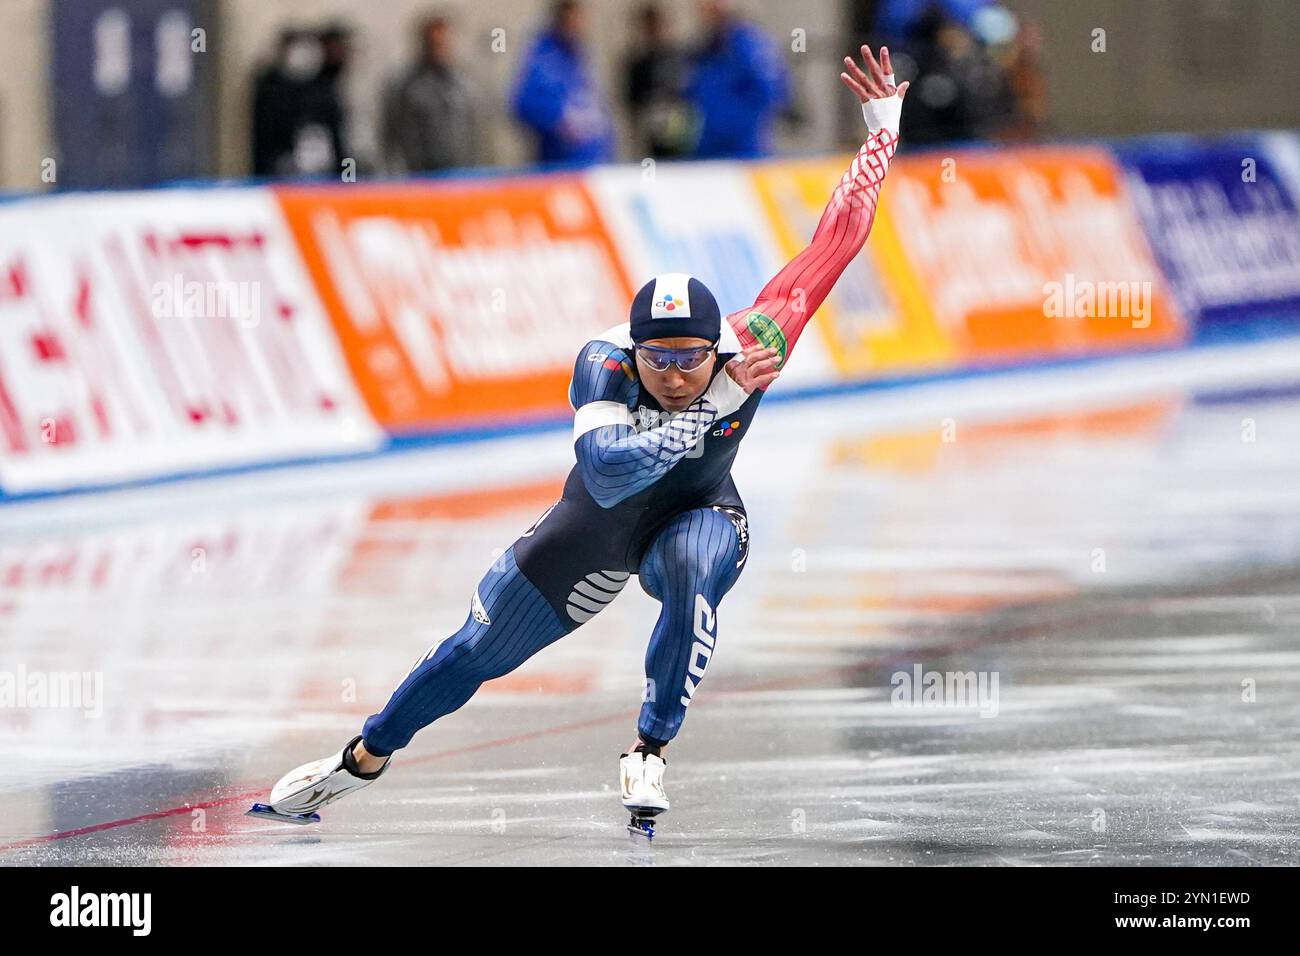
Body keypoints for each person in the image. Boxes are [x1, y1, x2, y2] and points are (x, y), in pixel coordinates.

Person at [249, 46, 908, 834]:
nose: (672, 374)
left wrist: (883, 131)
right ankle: (359, 760)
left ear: (718, 347)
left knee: (692, 569)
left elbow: (836, 238)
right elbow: (605, 471)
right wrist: (718, 402)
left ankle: (650, 749)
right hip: (596, 526)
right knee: (470, 654)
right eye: (657, 361)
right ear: (632, 354)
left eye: (691, 361)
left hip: (697, 510)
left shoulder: (758, 337)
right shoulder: (603, 367)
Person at [510, 0, 614, 166]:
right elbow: (521, 104)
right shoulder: (542, 58)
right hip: (561, 164)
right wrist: (558, 121)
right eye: (573, 18)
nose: (578, 24)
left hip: (594, 161)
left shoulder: (580, 55)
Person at [683, 0, 791, 160]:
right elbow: (693, 96)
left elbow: (773, 94)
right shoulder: (703, 50)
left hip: (744, 152)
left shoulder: (752, 46)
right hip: (706, 152)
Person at [383, 13, 479, 173]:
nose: (438, 50)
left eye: (443, 43)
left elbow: (475, 131)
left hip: (461, 174)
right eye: (433, 44)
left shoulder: (464, 83)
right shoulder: (404, 86)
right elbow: (389, 134)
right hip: (419, 176)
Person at [622, 4, 691, 160]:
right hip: (650, 139)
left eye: (657, 26)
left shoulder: (679, 58)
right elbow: (631, 103)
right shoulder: (637, 64)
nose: (654, 32)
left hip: (683, 139)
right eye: (649, 28)